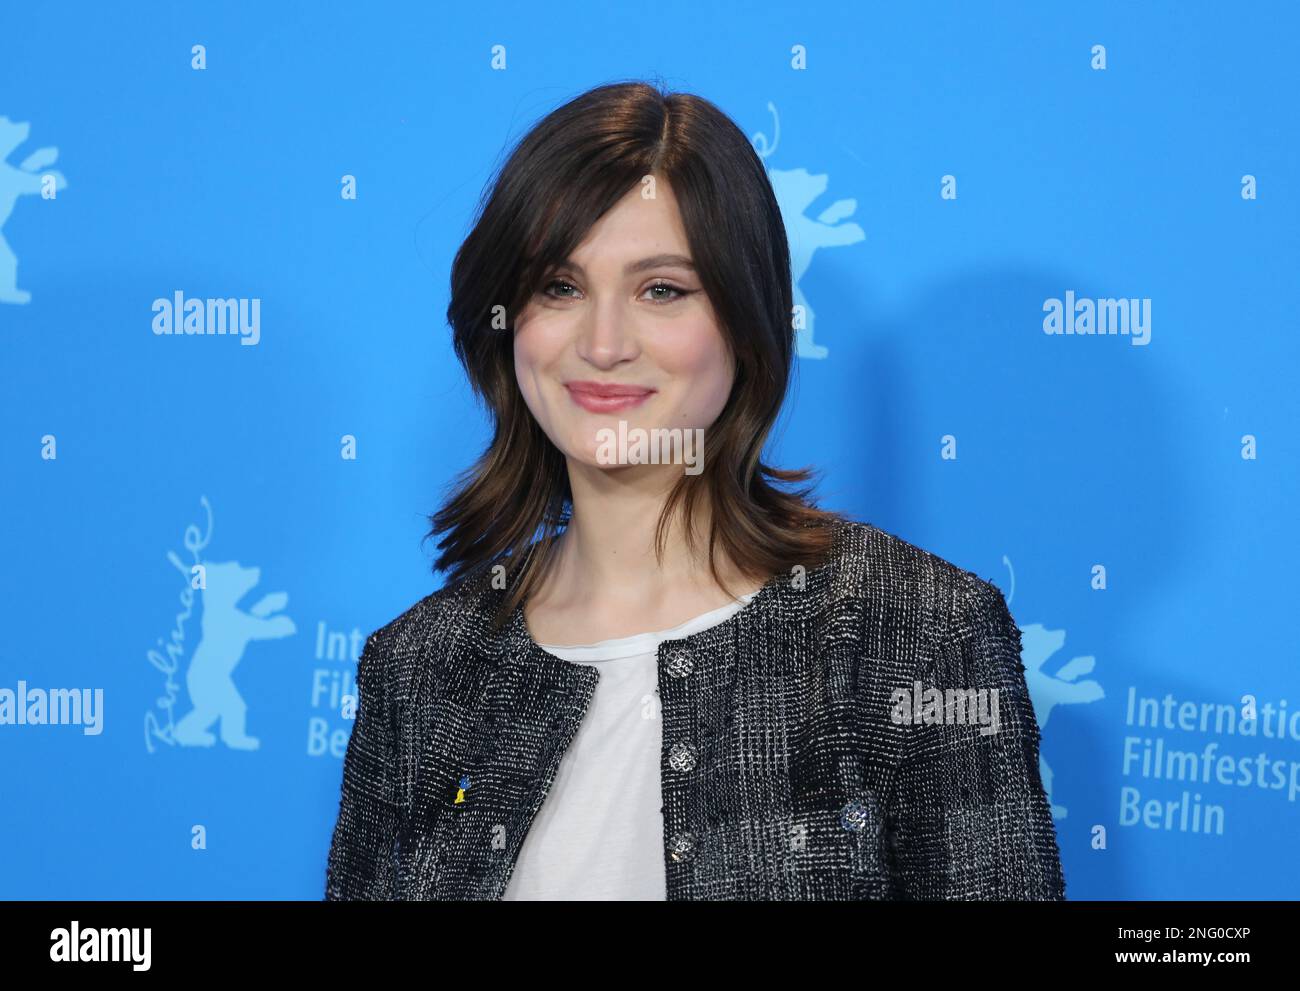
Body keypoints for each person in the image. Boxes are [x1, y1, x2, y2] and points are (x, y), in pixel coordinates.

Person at [324, 80, 1065, 901]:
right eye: (559, 288)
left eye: (662, 290)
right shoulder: (421, 670)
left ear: (747, 323)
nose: (603, 344)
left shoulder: (917, 630)